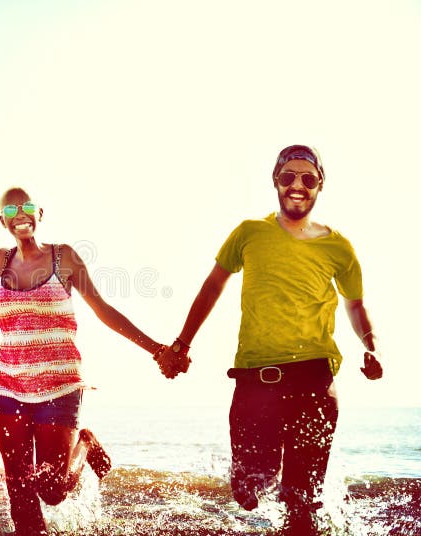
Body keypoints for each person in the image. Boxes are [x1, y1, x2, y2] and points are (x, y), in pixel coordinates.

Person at [0, 187, 168, 535]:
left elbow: (104, 311)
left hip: (59, 384)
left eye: (26, 207)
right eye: (10, 210)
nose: (19, 214)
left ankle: (85, 442)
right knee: (20, 494)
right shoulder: (1, 259)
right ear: (2, 220)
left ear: (40, 214)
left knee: (53, 490)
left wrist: (156, 349)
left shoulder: (63, 257)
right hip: (8, 383)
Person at [157, 144, 384, 534]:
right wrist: (182, 344)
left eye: (308, 179)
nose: (298, 185)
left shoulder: (339, 247)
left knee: (301, 507)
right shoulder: (249, 233)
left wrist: (370, 346)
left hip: (314, 380)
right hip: (254, 381)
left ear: (320, 186)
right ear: (275, 182)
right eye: (288, 177)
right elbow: (212, 287)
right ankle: (279, 493)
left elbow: (356, 304)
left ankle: (300, 506)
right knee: (248, 490)